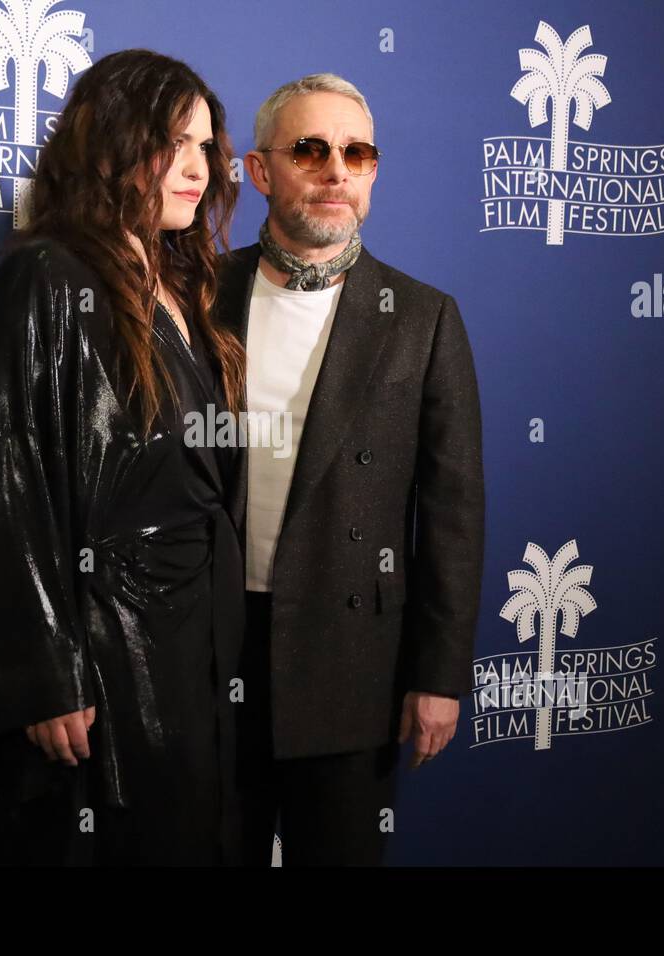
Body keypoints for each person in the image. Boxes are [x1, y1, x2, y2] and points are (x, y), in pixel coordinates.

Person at [0, 49, 247, 866]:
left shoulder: (183, 284)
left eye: (206, 146)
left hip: (195, 635)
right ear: (111, 142)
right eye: (172, 142)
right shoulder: (45, 278)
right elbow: (3, 485)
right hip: (104, 648)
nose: (195, 166)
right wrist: (42, 676)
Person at [215, 74, 486, 866]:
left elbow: (453, 513)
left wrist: (439, 676)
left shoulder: (425, 317)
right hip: (211, 646)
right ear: (260, 172)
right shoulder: (198, 292)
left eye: (356, 152)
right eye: (310, 149)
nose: (337, 170)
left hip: (350, 658)